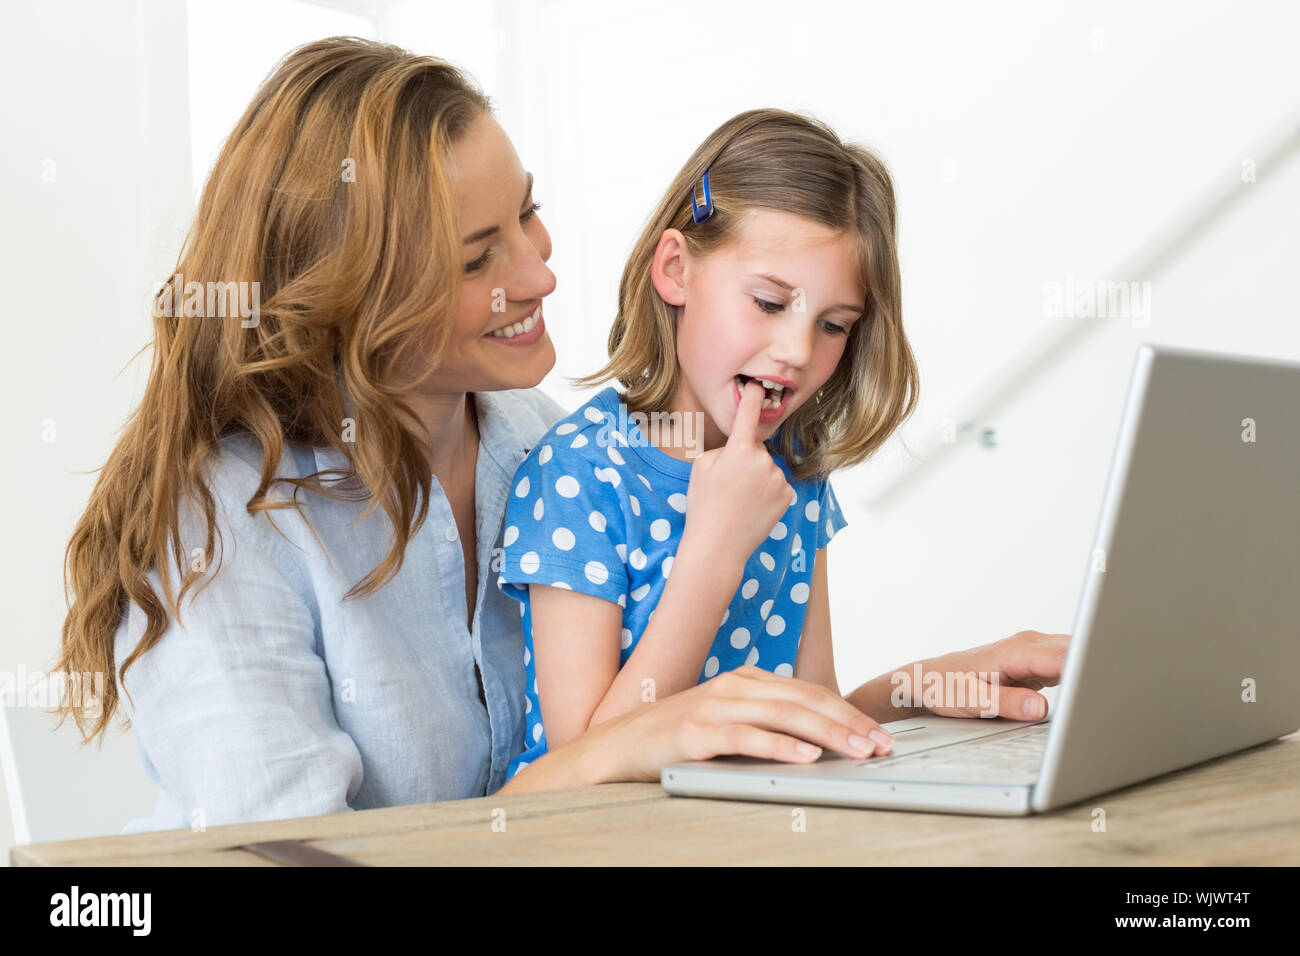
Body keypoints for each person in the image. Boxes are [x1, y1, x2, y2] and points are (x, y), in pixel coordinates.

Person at [54, 37, 1068, 832]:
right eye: (476, 257)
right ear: (351, 296)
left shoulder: (531, 437)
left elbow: (737, 715)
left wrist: (919, 696)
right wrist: (614, 748)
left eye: (528, 216)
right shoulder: (218, 528)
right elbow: (297, 856)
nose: (539, 275)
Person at [498, 109, 913, 779]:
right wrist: (715, 549)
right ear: (676, 270)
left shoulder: (794, 475)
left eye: (834, 325)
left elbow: (814, 709)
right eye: (770, 304)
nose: (796, 352)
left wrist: (927, 688)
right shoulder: (579, 473)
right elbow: (581, 770)